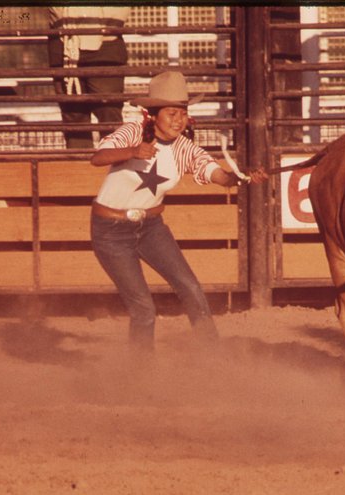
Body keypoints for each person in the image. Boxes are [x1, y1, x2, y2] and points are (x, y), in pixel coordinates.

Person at [89, 70, 267, 356]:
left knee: (191, 288)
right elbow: (98, 157)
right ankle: (141, 373)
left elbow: (216, 174)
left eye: (183, 113)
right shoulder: (134, 131)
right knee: (144, 307)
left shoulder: (184, 147)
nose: (179, 120)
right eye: (171, 113)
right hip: (110, 231)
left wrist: (241, 176)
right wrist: (133, 151)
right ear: (153, 114)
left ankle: (213, 357)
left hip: (151, 227)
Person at [47, 6, 131, 149]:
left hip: (107, 42)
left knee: (109, 111)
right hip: (64, 42)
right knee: (73, 113)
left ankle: (113, 162)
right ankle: (79, 165)